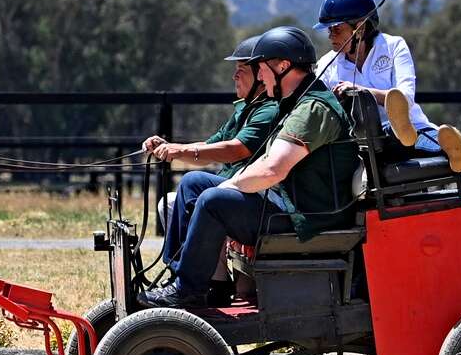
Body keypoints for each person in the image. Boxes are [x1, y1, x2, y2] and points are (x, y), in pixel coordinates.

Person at [140, 26, 359, 310]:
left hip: (305, 214)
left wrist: (229, 186)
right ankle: (182, 279)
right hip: (288, 200)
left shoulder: (311, 108)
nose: (260, 75)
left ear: (282, 66)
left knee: (213, 200)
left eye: (261, 68)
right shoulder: (294, 102)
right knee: (194, 183)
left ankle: (188, 291)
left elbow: (272, 170)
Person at [147, 35, 281, 269]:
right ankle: (209, 278)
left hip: (249, 193)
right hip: (233, 187)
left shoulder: (268, 111)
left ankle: (183, 271)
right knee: (168, 203)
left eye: (241, 69)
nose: (234, 76)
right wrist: (170, 147)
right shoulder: (246, 110)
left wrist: (180, 150)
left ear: (261, 75)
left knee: (193, 183)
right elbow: (212, 145)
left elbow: (236, 150)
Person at [313, 0, 461, 172]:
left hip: (414, 127)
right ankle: (433, 144)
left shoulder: (393, 46)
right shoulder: (326, 65)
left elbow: (406, 97)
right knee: (388, 136)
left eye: (337, 29)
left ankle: (451, 148)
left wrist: (361, 90)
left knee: (426, 135)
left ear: (360, 28)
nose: (330, 36)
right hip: (367, 142)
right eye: (329, 30)